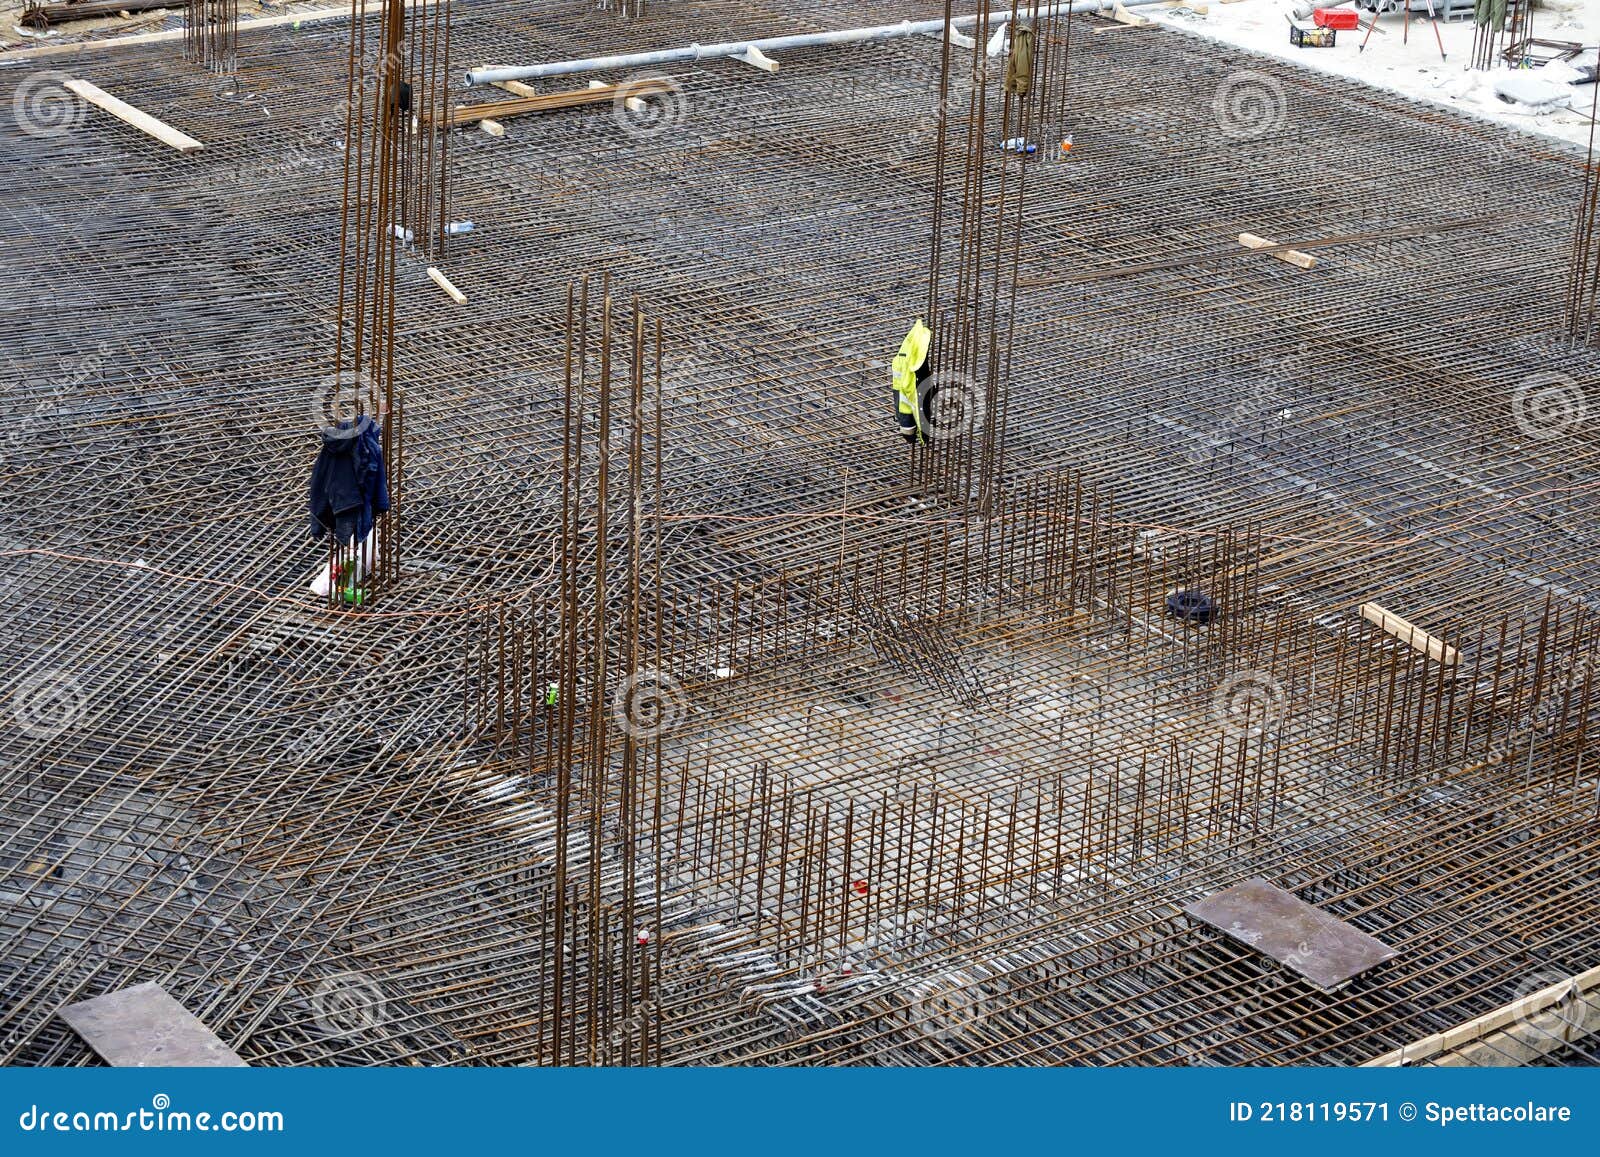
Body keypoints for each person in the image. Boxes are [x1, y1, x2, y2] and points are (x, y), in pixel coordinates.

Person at [892, 318, 933, 442]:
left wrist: (923, 435)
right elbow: (917, 405)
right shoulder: (908, 362)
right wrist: (923, 435)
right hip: (907, 396)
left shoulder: (906, 360)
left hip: (907, 392)